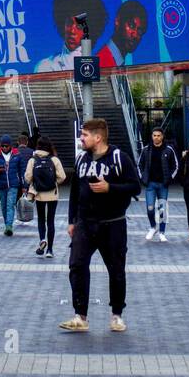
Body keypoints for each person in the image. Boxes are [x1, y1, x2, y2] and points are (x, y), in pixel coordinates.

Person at [60, 117, 141, 333]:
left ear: (98, 137)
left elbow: (135, 187)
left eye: (85, 135)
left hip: (112, 224)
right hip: (85, 224)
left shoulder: (118, 158)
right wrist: (71, 221)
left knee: (116, 270)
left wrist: (110, 188)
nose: (81, 138)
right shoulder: (81, 160)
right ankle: (80, 315)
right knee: (76, 265)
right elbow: (75, 192)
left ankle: (117, 315)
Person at [36, 0, 107, 73]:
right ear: (62, 23)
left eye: (79, 26)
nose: (72, 31)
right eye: (69, 23)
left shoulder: (97, 66)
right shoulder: (45, 66)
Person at [25, 135, 67, 257]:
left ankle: (42, 239)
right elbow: (63, 177)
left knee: (41, 219)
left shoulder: (33, 160)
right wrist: (54, 183)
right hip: (52, 194)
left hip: (39, 194)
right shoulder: (54, 160)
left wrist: (36, 182)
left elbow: (27, 178)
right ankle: (50, 250)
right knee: (51, 221)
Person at [137, 128, 179, 242]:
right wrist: (142, 178)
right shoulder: (146, 149)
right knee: (150, 208)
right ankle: (152, 227)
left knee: (162, 209)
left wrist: (170, 178)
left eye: (158, 135)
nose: (156, 137)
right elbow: (139, 164)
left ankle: (162, 232)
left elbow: (175, 165)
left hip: (163, 185)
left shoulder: (168, 150)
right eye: (154, 135)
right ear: (152, 136)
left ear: (162, 136)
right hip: (150, 185)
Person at [0, 134, 26, 237]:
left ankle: (9, 226)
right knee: (4, 206)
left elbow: (22, 171)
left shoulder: (17, 155)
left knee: (10, 204)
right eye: (3, 146)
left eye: (7, 146)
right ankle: (7, 224)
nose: (5, 148)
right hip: (1, 184)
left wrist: (24, 185)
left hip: (13, 184)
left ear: (10, 146)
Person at [97, 0, 149, 68]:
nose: (135, 35)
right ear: (117, 21)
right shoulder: (103, 60)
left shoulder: (117, 60)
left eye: (140, 31)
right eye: (131, 26)